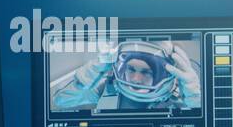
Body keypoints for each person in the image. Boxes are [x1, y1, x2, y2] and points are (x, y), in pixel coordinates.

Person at [51, 40, 201, 112]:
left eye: (146, 72)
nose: (136, 79)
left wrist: (195, 102)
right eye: (131, 69)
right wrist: (91, 72)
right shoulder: (107, 88)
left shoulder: (182, 95)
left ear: (166, 73)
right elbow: (61, 100)